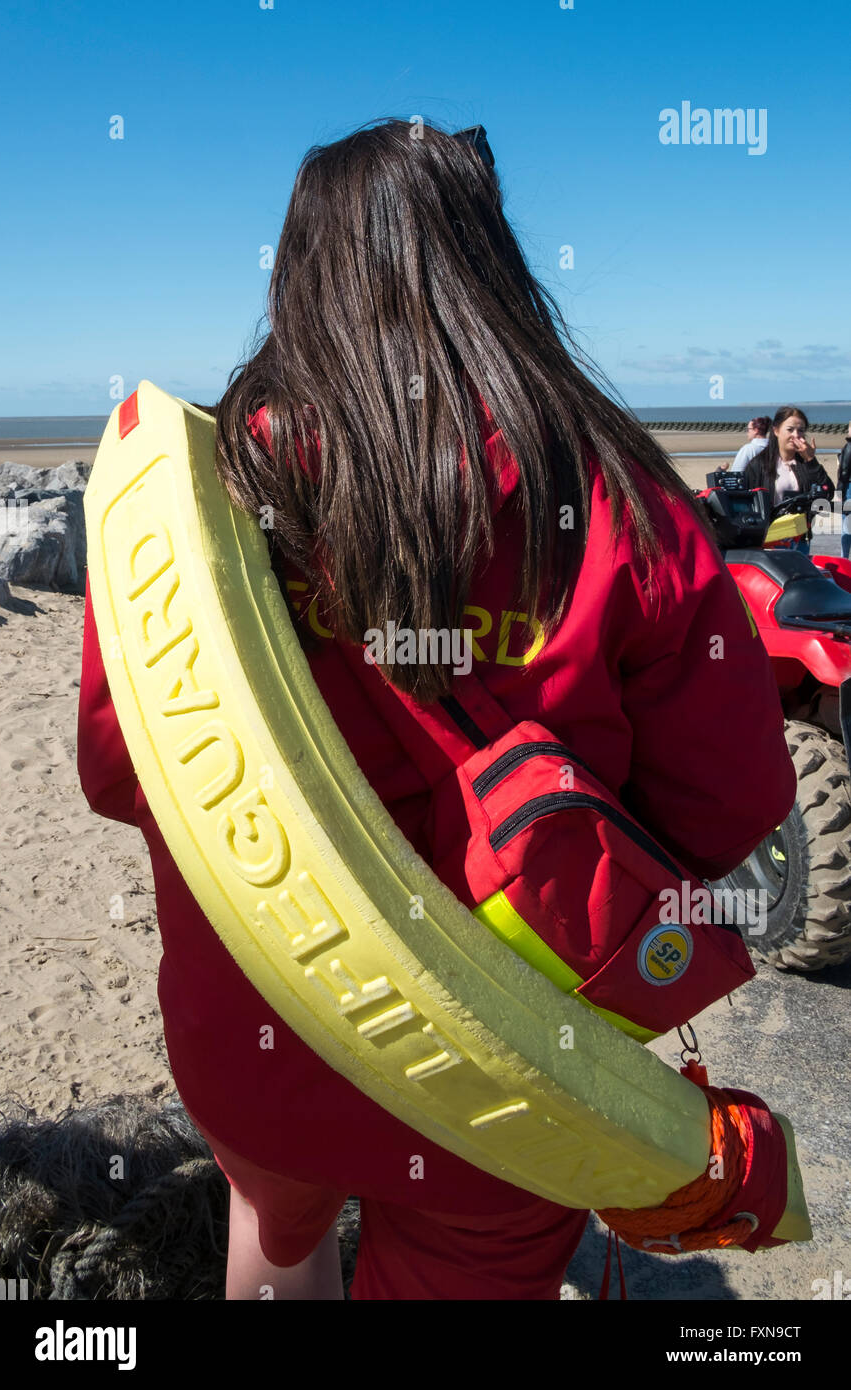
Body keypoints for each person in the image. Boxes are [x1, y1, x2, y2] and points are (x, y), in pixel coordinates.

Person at [76, 118, 797, 1301]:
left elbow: (123, 771)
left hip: (260, 1022)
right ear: (489, 260)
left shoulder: (205, 498)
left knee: (277, 1233)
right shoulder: (624, 504)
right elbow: (728, 814)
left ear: (298, 273)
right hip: (503, 1071)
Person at [740, 405, 833, 554]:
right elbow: (746, 502)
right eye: (790, 430)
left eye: (801, 430)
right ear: (776, 431)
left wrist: (811, 460)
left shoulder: (805, 464)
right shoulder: (759, 465)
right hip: (769, 541)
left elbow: (827, 493)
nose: (796, 435)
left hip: (800, 540)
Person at [837, 422, 851, 560]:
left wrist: (839, 491)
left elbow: (844, 471)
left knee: (847, 526)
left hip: (849, 488)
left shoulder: (849, 447)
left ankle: (844, 557)